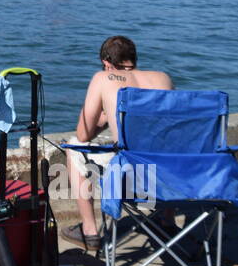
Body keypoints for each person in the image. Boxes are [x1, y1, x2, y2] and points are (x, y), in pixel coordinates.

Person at [61, 35, 173, 250]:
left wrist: (103, 119)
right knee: (163, 146)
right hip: (166, 175)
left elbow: (84, 135)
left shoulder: (103, 79)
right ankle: (167, 222)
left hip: (132, 175)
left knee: (74, 147)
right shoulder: (163, 79)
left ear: (106, 64)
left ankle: (90, 231)